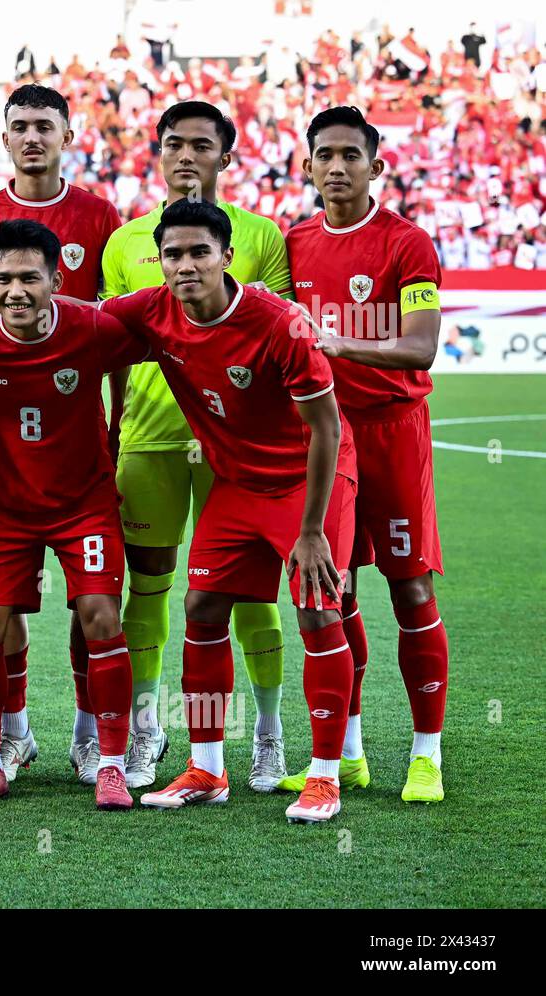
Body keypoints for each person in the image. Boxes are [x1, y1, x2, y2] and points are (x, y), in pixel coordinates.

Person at [101, 201, 358, 824]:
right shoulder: (151, 311)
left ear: (227, 256)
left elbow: (325, 430)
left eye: (198, 253)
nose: (185, 266)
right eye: (172, 255)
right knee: (203, 607)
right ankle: (209, 767)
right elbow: (76, 323)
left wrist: (313, 531)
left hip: (310, 481)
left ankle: (324, 777)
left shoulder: (280, 323)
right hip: (239, 484)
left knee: (317, 613)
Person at [99, 101, 294, 793]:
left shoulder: (263, 236)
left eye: (201, 145)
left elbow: (279, 337)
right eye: (173, 144)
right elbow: (111, 342)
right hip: (148, 439)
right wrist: (111, 425)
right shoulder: (126, 242)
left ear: (227, 156)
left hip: (234, 449)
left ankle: (267, 737)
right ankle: (148, 731)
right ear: (156, 153)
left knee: (246, 597)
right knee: (147, 592)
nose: (186, 156)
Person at [0, 220, 147, 810]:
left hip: (84, 503)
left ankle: (109, 764)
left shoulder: (92, 328)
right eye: (2, 280)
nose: (16, 291)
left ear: (56, 279)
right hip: (2, 507)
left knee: (101, 614)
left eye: (31, 278)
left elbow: (158, 327)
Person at [0, 83, 123, 787]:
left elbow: (128, 325)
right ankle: (2, 747)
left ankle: (99, 749)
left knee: (97, 611)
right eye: (19, 126)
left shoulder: (99, 215)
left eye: (45, 126)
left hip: (82, 478)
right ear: (5, 137)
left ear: (68, 134)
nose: (32, 137)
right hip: (1, 484)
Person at [283, 106, 448, 803]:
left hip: (393, 432)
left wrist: (344, 344)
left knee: (410, 588)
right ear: (309, 165)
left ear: (376, 166)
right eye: (325, 154)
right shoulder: (294, 243)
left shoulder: (407, 243)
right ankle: (347, 753)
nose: (338, 166)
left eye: (352, 154)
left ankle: (426, 754)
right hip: (329, 438)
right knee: (333, 588)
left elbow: (422, 346)